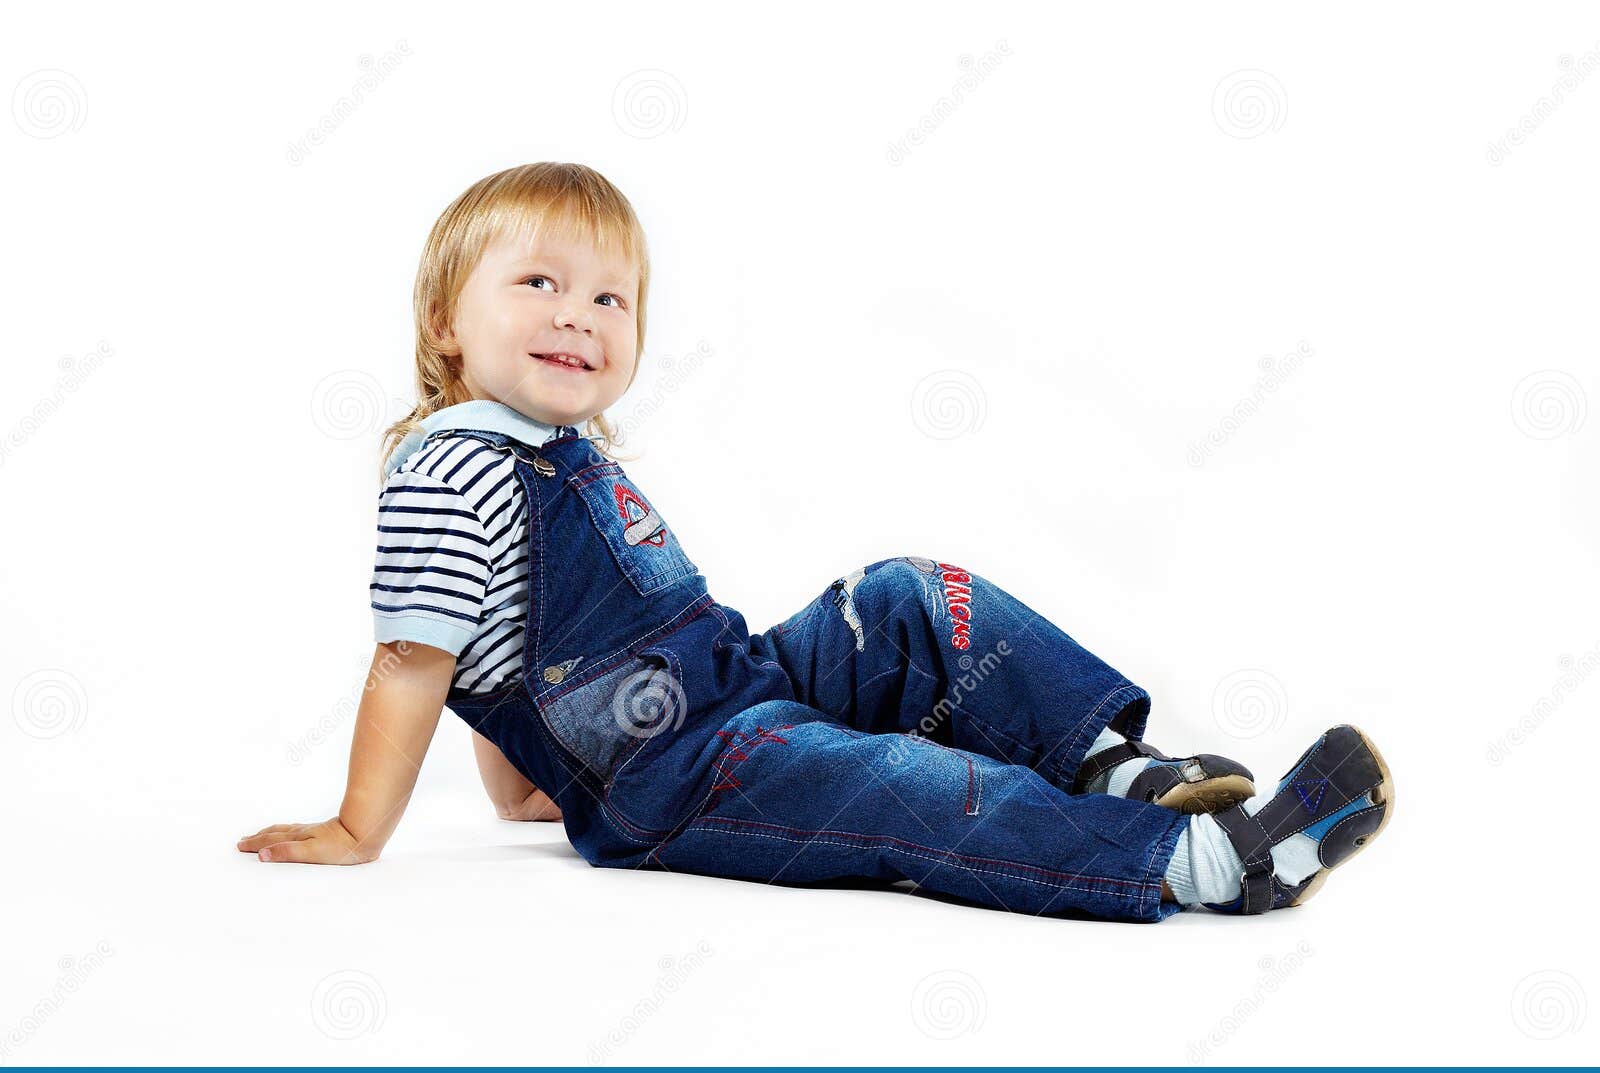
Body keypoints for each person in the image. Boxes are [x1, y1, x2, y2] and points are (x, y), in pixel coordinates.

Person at [237, 162, 1393, 921]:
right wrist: (356, 825)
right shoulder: (449, 466)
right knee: (901, 784)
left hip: (739, 685)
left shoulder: (562, 451)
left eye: (610, 298)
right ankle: (1202, 865)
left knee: (905, 594)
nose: (578, 315)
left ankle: (1111, 764)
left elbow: (511, 642)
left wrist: (526, 785)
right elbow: (419, 659)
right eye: (538, 280)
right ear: (446, 319)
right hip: (678, 777)